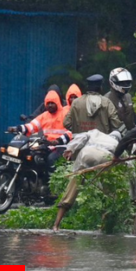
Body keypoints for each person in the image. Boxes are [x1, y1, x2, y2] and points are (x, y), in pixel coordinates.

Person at [54, 74, 122, 230]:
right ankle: (104, 225)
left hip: (81, 151)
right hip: (102, 151)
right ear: (100, 87)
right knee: (107, 187)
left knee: (74, 184)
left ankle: (56, 225)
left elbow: (66, 123)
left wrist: (79, 131)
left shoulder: (77, 102)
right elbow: (117, 124)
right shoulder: (106, 103)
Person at [8, 88, 69, 166]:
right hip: (46, 145)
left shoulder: (65, 114)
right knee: (31, 155)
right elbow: (32, 126)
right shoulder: (44, 115)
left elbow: (71, 131)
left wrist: (58, 140)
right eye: (48, 103)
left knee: (51, 159)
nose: (50, 105)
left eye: (52, 103)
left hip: (61, 146)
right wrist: (17, 128)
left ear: (57, 103)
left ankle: (51, 178)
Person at [106, 67, 136, 132]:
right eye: (122, 82)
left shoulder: (128, 96)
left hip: (130, 134)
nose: (125, 85)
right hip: (113, 135)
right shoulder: (106, 99)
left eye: (127, 82)